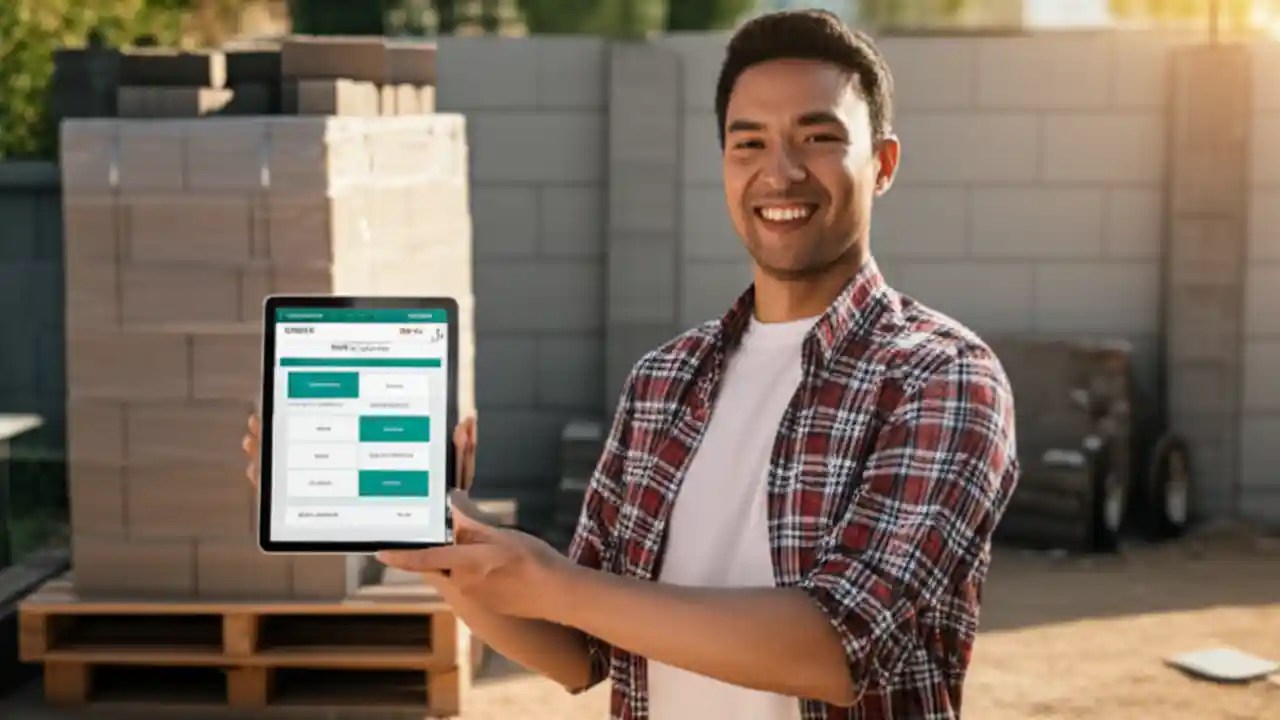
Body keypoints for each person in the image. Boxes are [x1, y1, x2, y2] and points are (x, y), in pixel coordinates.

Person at [243, 9, 1018, 719]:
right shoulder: (665, 382)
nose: (779, 172)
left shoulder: (941, 378)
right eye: (748, 142)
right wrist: (440, 537)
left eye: (818, 137)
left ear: (882, 163)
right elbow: (580, 649)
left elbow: (837, 648)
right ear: (724, 164)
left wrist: (557, 582)